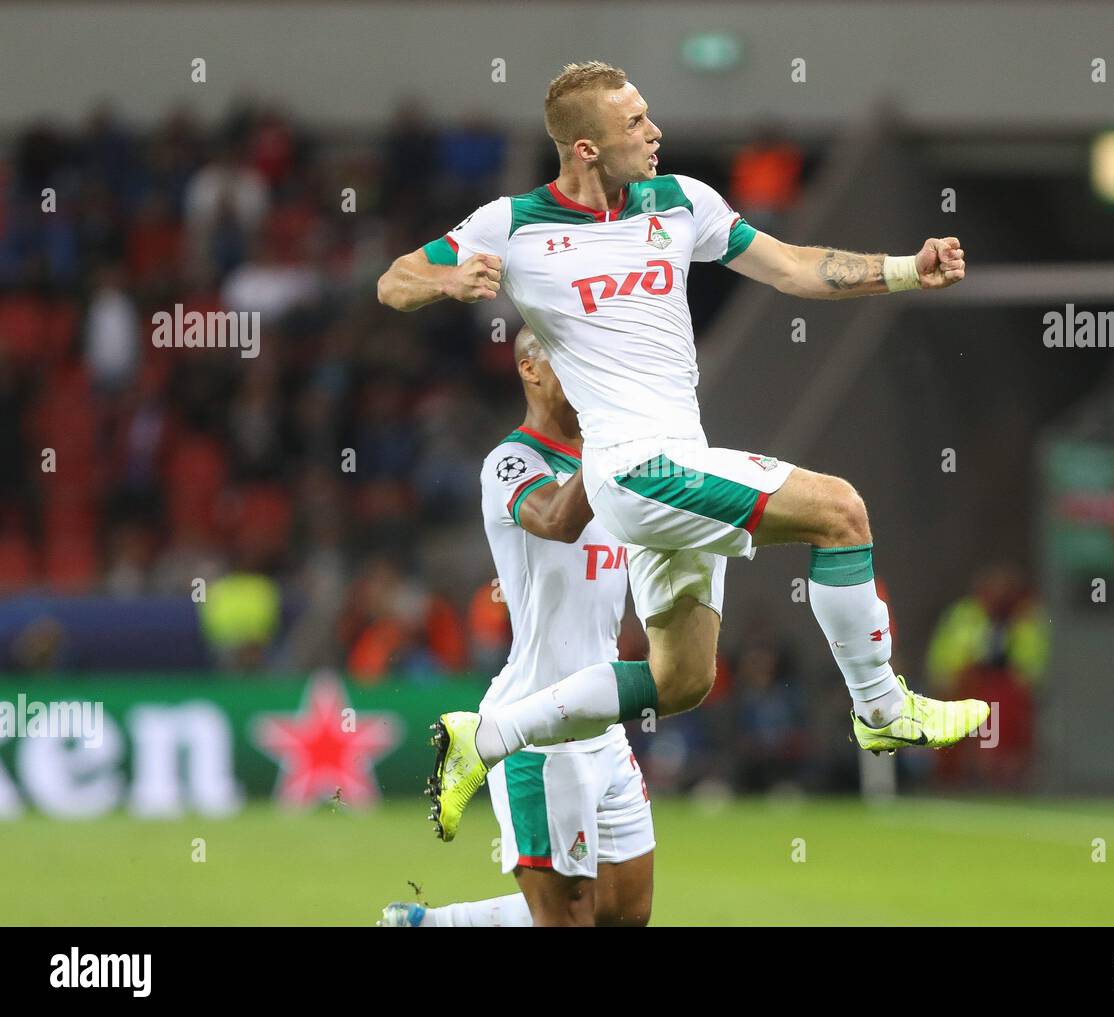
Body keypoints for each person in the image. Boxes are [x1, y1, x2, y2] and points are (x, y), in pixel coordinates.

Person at [378, 60, 988, 842]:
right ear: (587, 147)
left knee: (683, 680)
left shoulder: (682, 202)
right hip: (631, 465)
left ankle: (486, 736)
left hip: (675, 461)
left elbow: (795, 267)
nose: (655, 131)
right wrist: (451, 281)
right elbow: (395, 281)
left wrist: (908, 269)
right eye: (634, 123)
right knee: (840, 510)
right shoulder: (513, 223)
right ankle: (881, 709)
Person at [380, 325, 652, 926]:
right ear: (532, 369)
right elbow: (556, 519)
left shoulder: (606, 462)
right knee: (570, 922)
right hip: (536, 725)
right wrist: (615, 441)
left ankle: (435, 925)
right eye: (574, 360)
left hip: (601, 722)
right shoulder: (511, 461)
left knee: (624, 914)